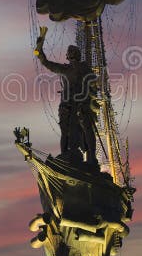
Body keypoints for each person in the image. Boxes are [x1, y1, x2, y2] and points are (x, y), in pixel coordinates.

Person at [35, 26, 98, 166]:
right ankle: (67, 155)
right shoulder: (66, 69)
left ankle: (91, 157)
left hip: (81, 104)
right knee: (67, 131)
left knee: (86, 129)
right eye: (69, 51)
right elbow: (44, 61)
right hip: (68, 104)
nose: (70, 53)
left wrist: (84, 95)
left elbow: (93, 81)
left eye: (72, 51)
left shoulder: (82, 68)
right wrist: (40, 42)